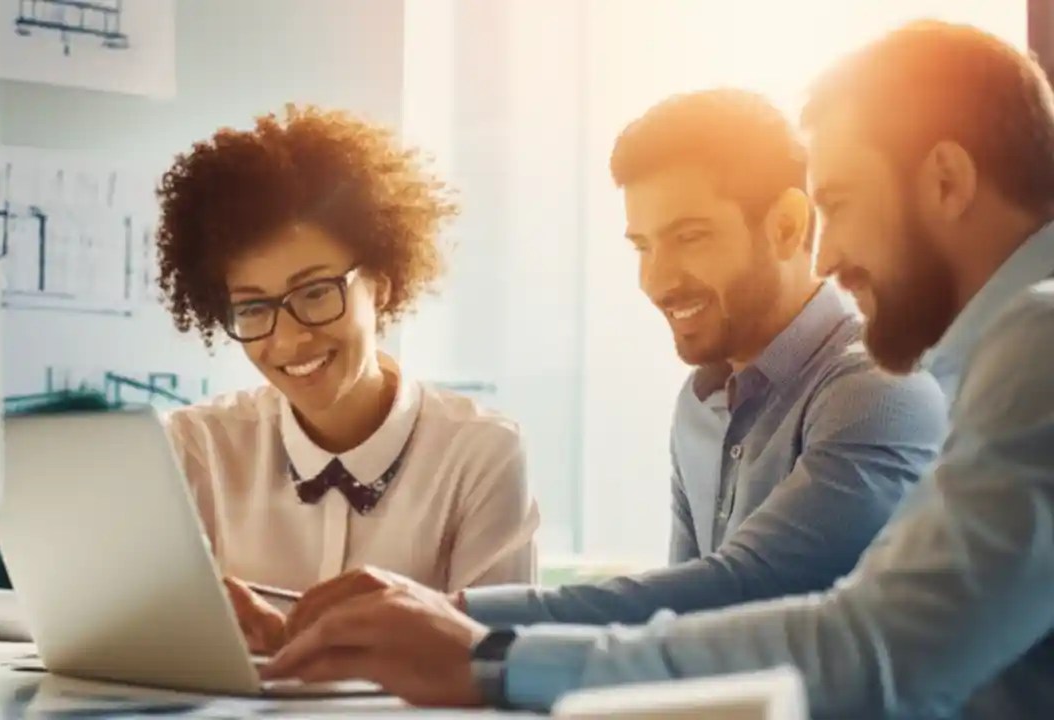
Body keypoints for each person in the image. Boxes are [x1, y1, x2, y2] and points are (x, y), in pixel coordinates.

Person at [260, 21, 1054, 718]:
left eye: (839, 204)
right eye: (644, 246)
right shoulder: (986, 359)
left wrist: (482, 650)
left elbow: (870, 644)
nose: (830, 252)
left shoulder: (1030, 343)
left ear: (947, 182)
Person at [155, 105, 540, 651]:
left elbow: (493, 661)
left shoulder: (480, 454)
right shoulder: (196, 447)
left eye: (315, 293)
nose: (287, 340)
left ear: (380, 284)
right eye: (254, 308)